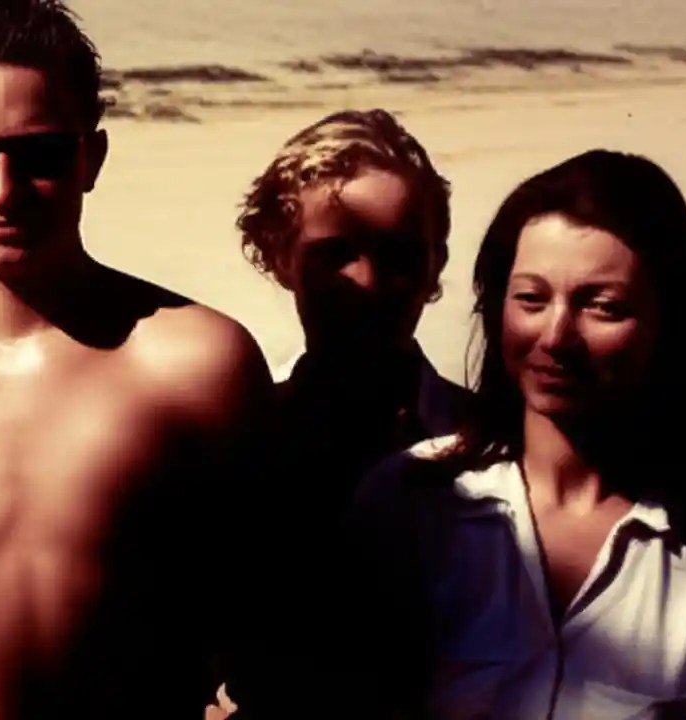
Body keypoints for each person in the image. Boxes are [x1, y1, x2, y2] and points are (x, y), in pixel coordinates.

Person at [0, 1, 272, 718]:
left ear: (90, 158)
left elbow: (272, 644)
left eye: (40, 154)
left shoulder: (196, 366)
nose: (2, 189)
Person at [344, 149, 686, 719]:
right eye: (531, 299)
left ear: (671, 324)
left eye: (603, 306)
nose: (557, 336)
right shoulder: (409, 503)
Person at [217, 108, 468, 718]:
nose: (369, 281)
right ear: (279, 256)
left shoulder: (492, 448)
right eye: (335, 255)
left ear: (436, 263)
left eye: (399, 255)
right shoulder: (231, 443)